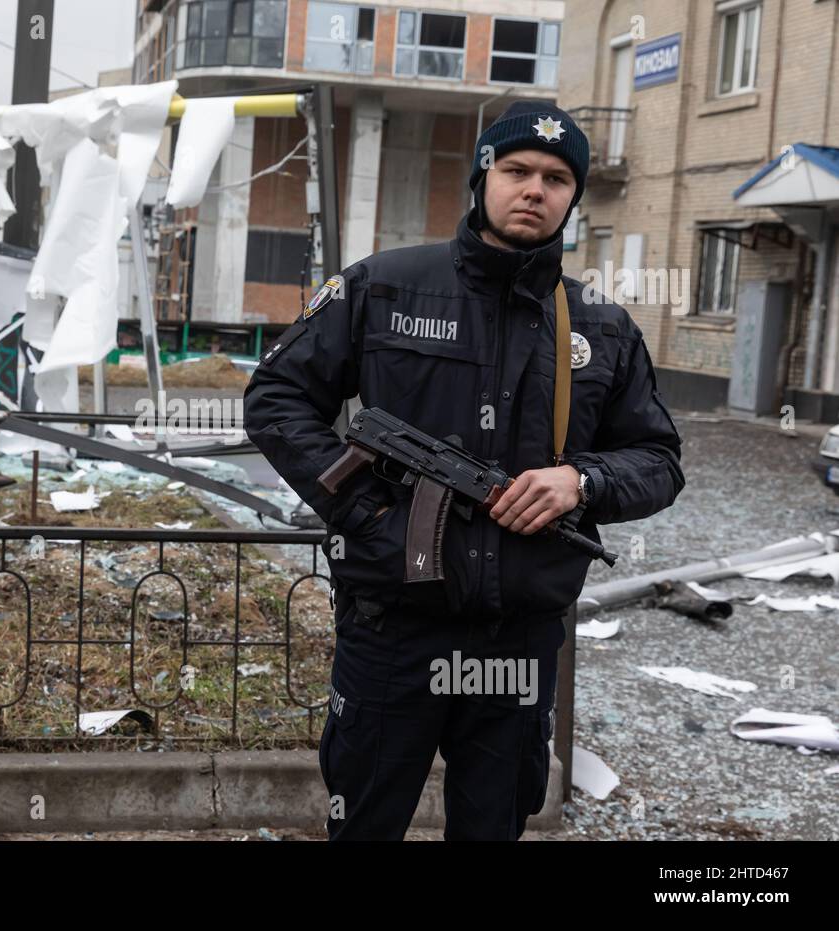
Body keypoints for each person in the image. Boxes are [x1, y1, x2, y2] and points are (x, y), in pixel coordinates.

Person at [243, 101, 685, 841]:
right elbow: (276, 397)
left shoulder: (601, 327)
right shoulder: (384, 286)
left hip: (518, 640)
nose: (534, 189)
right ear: (483, 177)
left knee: (493, 825)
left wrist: (581, 481)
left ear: (573, 197)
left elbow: (659, 460)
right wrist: (366, 512)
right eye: (516, 170)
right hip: (392, 630)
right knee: (364, 822)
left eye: (556, 179)